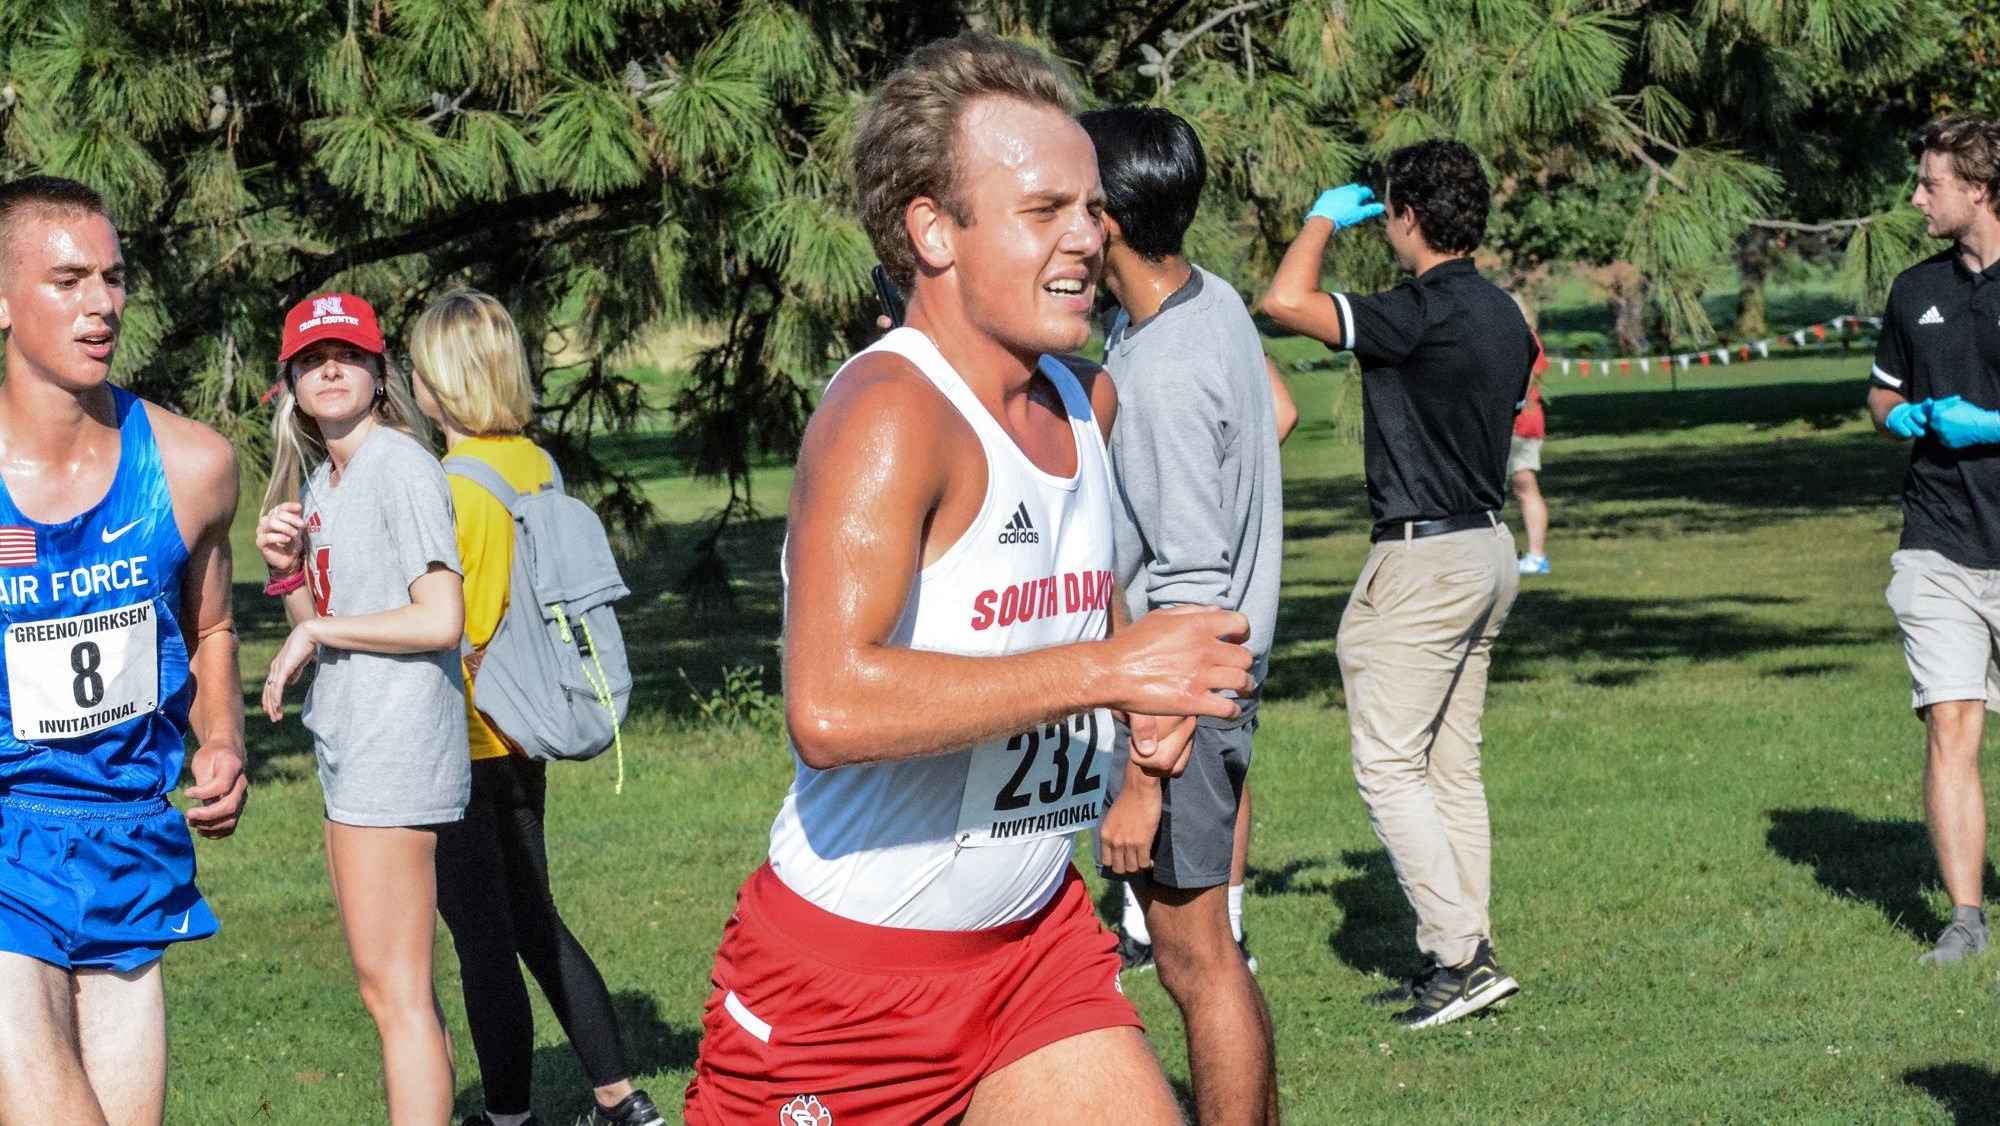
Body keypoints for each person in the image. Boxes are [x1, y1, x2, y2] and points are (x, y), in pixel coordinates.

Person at [685, 32, 1255, 1125]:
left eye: (1092, 208)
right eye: (1044, 210)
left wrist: (1145, 696)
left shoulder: (1087, 400)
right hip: (849, 987)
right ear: (932, 230)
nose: (1088, 237)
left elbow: (1080, 597)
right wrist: (1107, 670)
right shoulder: (891, 413)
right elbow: (830, 706)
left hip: (1032, 948)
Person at [1261, 140, 1534, 1029]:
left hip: (1423, 559)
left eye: (1388, 214)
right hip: (1487, 547)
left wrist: (1321, 222)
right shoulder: (1503, 313)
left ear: (1406, 217)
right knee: (1451, 766)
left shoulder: (1415, 312)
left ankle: (1460, 956)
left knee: (1388, 765)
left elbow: (1284, 302)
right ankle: (1463, 950)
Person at [0, 176, 247, 1125]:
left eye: (112, 277)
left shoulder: (191, 467)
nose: (101, 304)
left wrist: (222, 738)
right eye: (68, 281)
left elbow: (212, 628)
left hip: (129, 837)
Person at [409, 288, 666, 1126]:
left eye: (419, 369)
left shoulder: (453, 486)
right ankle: (619, 1097)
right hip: (527, 730)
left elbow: (457, 623)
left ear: (441, 384)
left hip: (465, 738)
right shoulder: (536, 466)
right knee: (532, 919)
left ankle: (509, 1117)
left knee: (483, 940)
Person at [1081, 105, 1281, 1126]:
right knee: (1207, 958)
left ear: (1108, 219)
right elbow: (1275, 412)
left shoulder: (1159, 372)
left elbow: (1192, 591)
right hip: (1218, 688)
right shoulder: (1210, 302)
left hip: (1182, 707)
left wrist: (1141, 779)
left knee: (1195, 962)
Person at [256, 292, 469, 1124]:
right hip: (351, 746)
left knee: (397, 996)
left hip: (396, 747)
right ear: (292, 385)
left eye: (348, 355)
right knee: (394, 992)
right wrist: (286, 571)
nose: (331, 370)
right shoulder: (324, 482)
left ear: (380, 374)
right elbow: (319, 625)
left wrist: (317, 631)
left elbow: (439, 619)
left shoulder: (401, 466)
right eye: (312, 361)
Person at [1865, 114, 2000, 966]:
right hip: (1938, 540)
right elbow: (1881, 391)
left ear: (1980, 189)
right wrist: (1900, 416)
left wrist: (1992, 424)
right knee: (1949, 723)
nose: (1917, 198)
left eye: (1931, 184)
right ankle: (1964, 918)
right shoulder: (1915, 289)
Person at [1510, 299, 1552, 575]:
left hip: (1520, 424)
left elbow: (1527, 380)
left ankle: (1537, 556)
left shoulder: (1525, 339)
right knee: (1520, 488)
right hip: (1517, 422)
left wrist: (1510, 410)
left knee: (1525, 487)